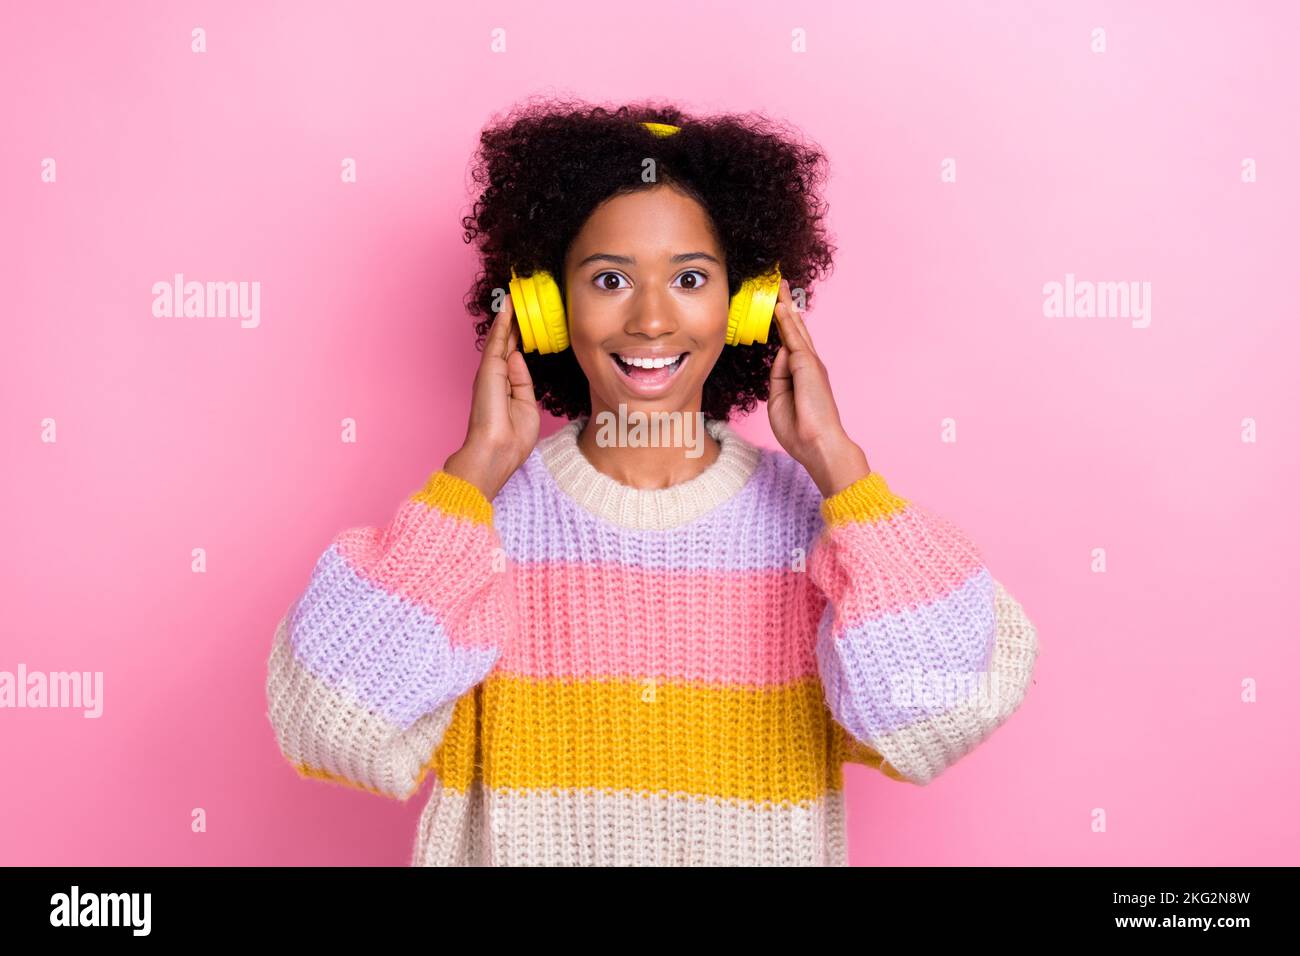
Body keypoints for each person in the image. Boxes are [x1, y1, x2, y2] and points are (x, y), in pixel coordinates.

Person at [264, 98, 1039, 866]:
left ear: (745, 305)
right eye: (609, 281)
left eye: (691, 278)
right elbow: (328, 722)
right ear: (545, 309)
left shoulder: (825, 530)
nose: (653, 321)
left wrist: (844, 473)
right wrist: (470, 479)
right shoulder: (476, 530)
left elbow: (940, 714)